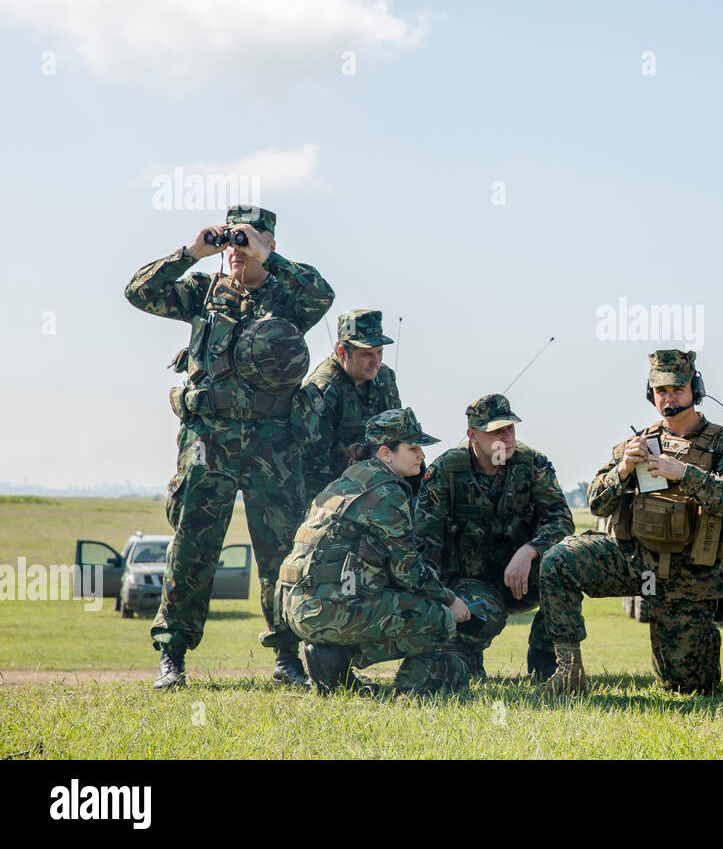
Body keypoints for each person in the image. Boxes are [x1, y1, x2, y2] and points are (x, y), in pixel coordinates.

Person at [124, 205, 334, 690]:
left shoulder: (290, 297)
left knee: (280, 549)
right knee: (193, 545)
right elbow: (139, 291)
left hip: (272, 440)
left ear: (270, 245)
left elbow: (324, 293)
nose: (237, 250)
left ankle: (287, 655)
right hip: (207, 438)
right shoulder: (204, 293)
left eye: (249, 241)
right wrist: (194, 251)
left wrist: (268, 258)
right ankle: (172, 654)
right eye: (233, 241)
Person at [540, 350, 723, 694]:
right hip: (633, 558)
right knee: (560, 561)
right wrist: (623, 469)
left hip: (687, 574)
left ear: (694, 389)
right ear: (650, 393)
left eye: (677, 389)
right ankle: (569, 672)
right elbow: (596, 501)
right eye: (660, 391)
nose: (668, 398)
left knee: (688, 687)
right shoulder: (638, 442)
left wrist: (684, 474)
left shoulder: (722, 444)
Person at [279, 408, 472, 697]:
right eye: (412, 448)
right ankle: (409, 686)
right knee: (439, 619)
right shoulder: (386, 491)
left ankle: (331, 661)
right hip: (325, 610)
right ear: (386, 453)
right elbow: (408, 570)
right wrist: (450, 600)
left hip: (297, 607)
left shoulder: (348, 481)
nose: (420, 455)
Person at [416, 394, 575, 680]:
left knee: (566, 569)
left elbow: (561, 520)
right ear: (472, 435)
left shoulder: (532, 463)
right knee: (478, 620)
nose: (508, 437)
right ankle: (464, 656)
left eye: (510, 428)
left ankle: (547, 663)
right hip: (469, 582)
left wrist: (529, 551)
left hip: (523, 577)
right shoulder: (446, 471)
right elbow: (426, 542)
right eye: (496, 431)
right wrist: (441, 598)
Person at [299, 309, 402, 506]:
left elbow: (399, 435)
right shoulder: (323, 389)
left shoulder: (385, 378)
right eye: (366, 354)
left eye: (380, 352)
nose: (376, 362)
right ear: (342, 352)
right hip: (334, 495)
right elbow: (312, 466)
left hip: (381, 487)